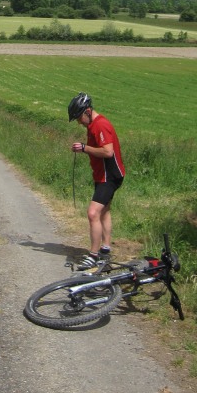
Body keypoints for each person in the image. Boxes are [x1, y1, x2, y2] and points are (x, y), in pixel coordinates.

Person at [68, 92, 125, 270]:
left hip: (110, 176)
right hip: (102, 175)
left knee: (93, 213)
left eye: (79, 117)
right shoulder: (92, 125)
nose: (78, 122)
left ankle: (93, 255)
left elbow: (108, 152)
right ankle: (105, 252)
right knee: (104, 212)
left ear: (88, 111)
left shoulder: (100, 125)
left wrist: (85, 148)